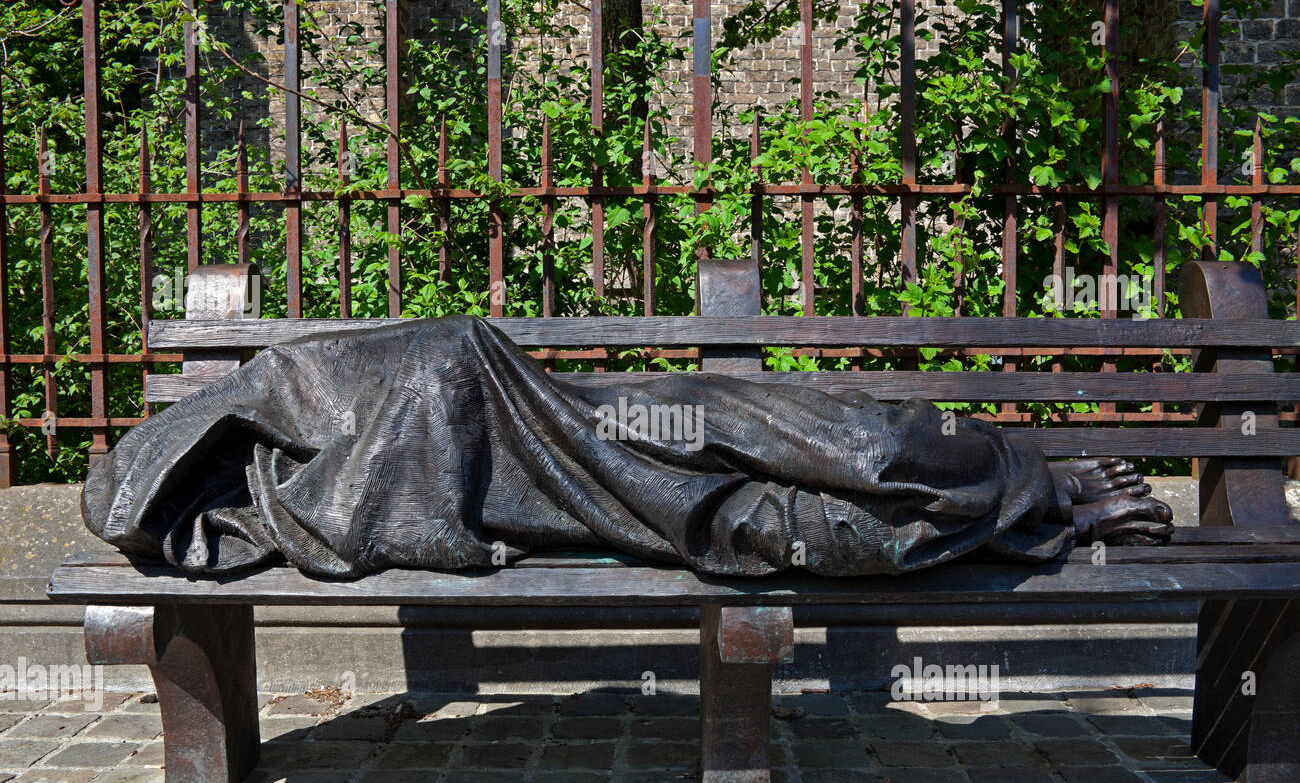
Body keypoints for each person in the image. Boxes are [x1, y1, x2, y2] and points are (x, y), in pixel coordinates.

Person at [82, 315, 1172, 578]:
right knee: (783, 520)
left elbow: (446, 364)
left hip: (571, 413)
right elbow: (381, 512)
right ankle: (1038, 498)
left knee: (832, 440)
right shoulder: (285, 488)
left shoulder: (295, 386)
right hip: (574, 475)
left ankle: (1024, 482)